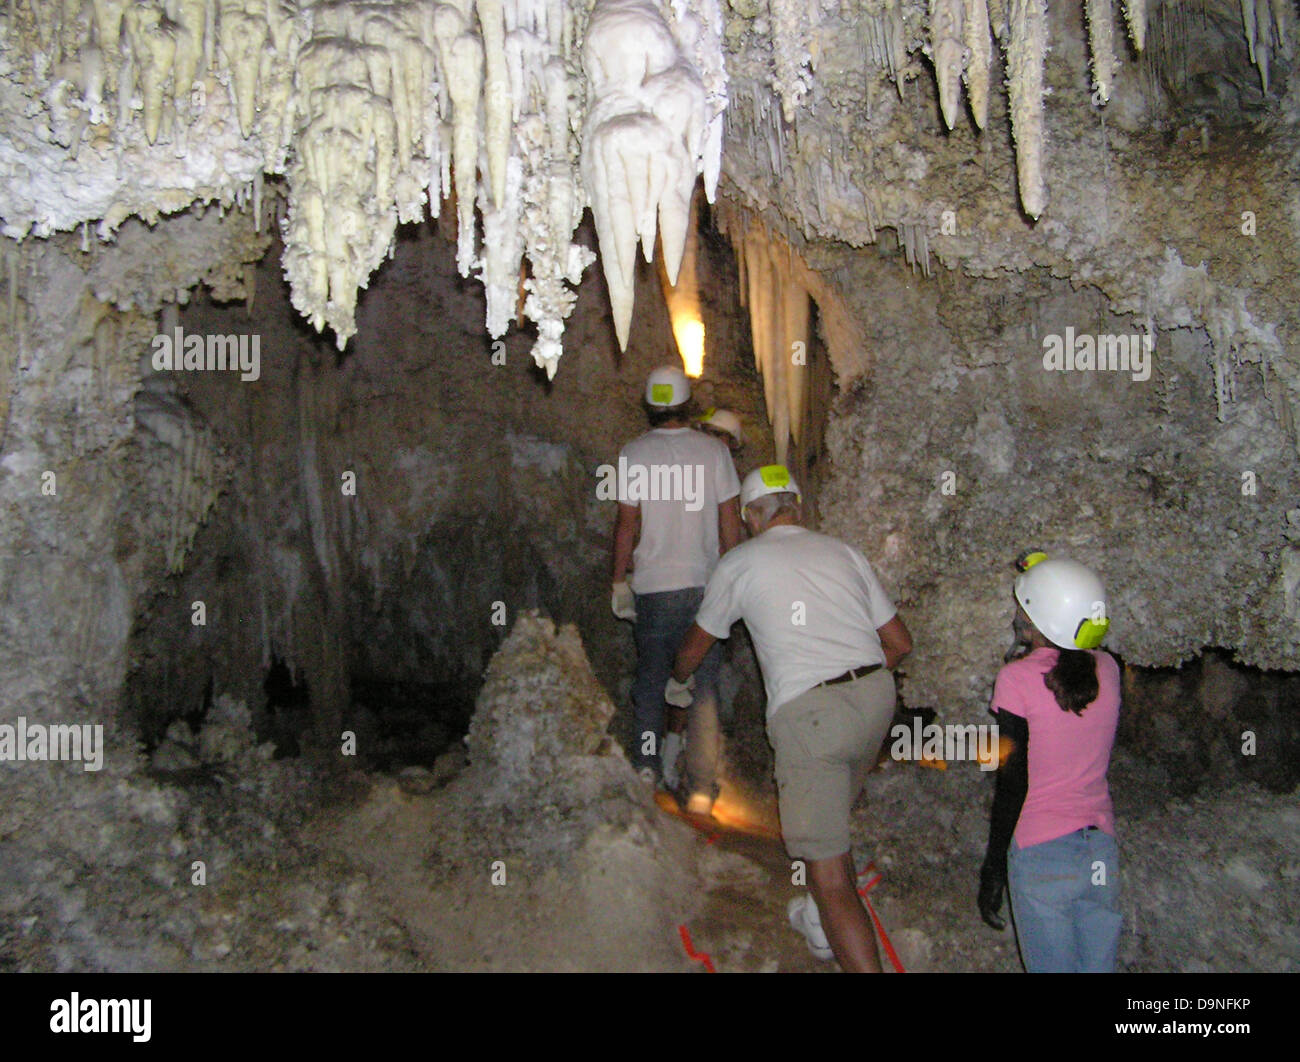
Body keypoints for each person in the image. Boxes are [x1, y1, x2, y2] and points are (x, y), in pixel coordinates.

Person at [668, 465, 913, 972]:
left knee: (828, 878)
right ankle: (822, 924)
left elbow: (698, 641)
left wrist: (678, 676)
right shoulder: (843, 551)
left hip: (811, 718)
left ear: (753, 516)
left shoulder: (741, 562)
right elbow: (900, 644)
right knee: (830, 820)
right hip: (875, 700)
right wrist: (853, 683)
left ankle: (834, 923)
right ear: (796, 506)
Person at [978, 552, 1123, 973]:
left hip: (1042, 853)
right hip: (1100, 849)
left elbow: (1013, 782)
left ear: (1034, 621)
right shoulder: (1109, 669)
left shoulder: (1017, 679)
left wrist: (993, 867)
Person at [610, 365, 741, 810]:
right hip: (706, 584)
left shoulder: (633, 453)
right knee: (703, 686)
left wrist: (617, 579)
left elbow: (627, 524)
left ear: (649, 406)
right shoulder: (714, 452)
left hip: (654, 587)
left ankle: (647, 767)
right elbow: (729, 522)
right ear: (688, 405)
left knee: (651, 682)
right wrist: (735, 578)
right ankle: (701, 789)